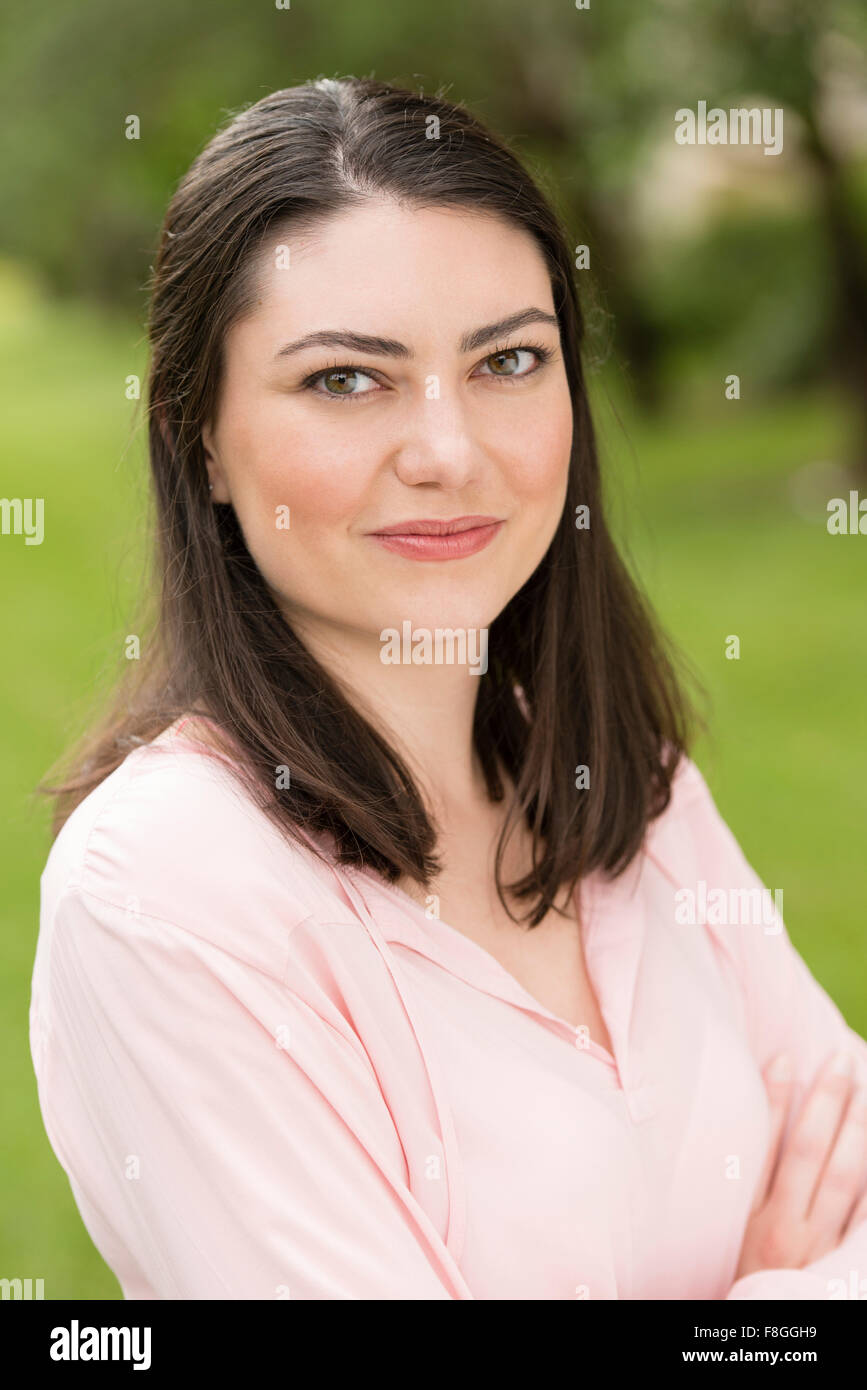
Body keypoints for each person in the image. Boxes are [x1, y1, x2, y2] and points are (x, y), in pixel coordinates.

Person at [30, 76, 867, 1300]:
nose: (449, 450)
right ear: (201, 438)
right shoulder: (162, 889)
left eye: (508, 361)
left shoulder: (623, 781)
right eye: (346, 380)